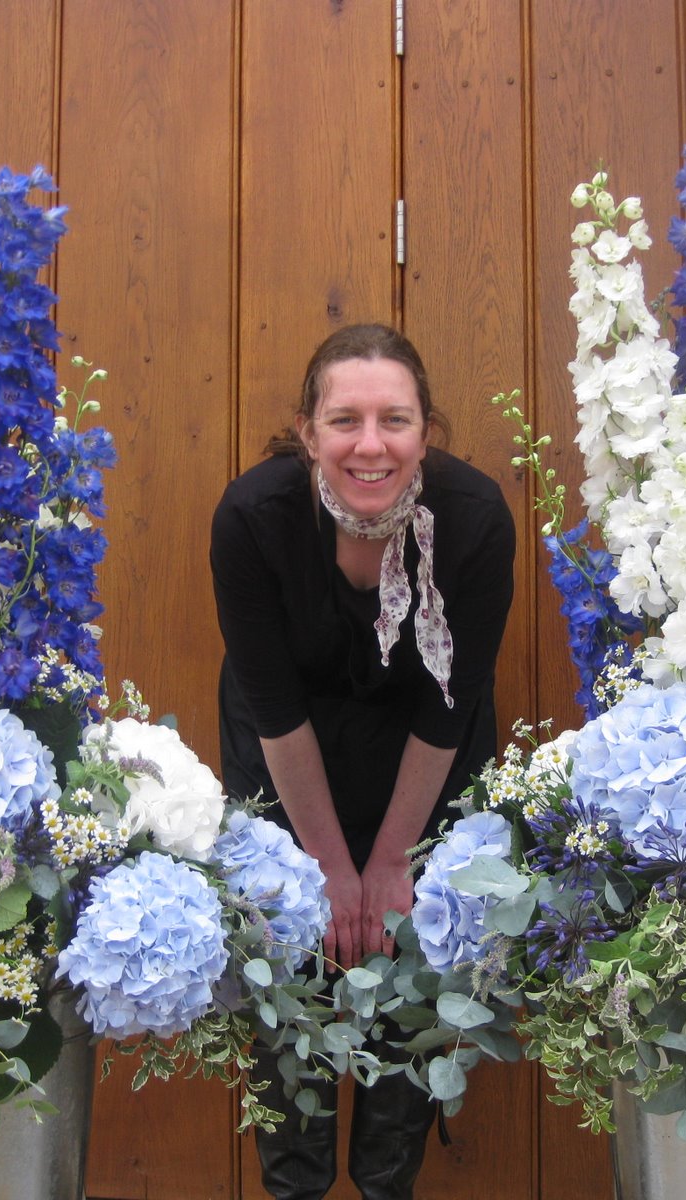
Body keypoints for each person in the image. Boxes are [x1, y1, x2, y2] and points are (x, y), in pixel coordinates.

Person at [210, 324, 515, 1200]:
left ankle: (387, 1182)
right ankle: (294, 1184)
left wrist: (388, 865)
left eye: (395, 420)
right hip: (285, 764)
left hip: (424, 766)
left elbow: (447, 708)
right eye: (345, 420)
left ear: (427, 430)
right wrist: (328, 871)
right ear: (308, 432)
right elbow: (275, 710)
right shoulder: (252, 518)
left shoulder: (475, 519)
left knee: (408, 964)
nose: (370, 444)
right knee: (291, 967)